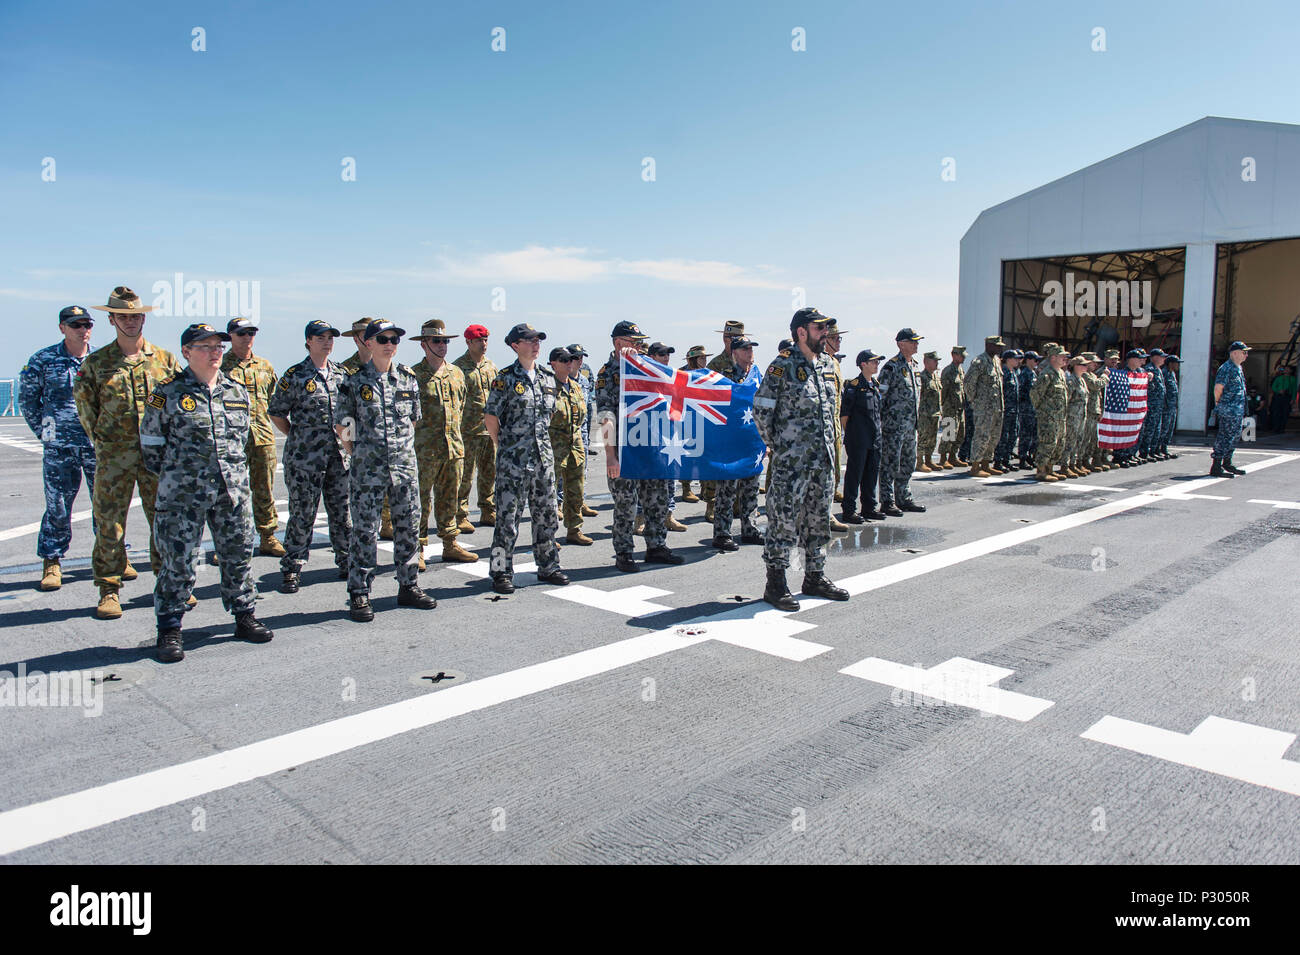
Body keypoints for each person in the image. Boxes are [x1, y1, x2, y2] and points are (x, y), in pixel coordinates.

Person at [140, 323, 274, 662]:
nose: (215, 352)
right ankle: (170, 627)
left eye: (218, 346)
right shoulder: (166, 393)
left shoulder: (236, 391)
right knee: (178, 561)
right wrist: (181, 477)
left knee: (238, 555)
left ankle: (244, 615)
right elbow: (152, 449)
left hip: (231, 492)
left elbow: (240, 442)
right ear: (186, 351)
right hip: (183, 495)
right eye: (205, 346)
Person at [74, 286, 182, 620]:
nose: (131, 321)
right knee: (109, 523)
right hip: (114, 458)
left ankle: (169, 585)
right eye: (124, 316)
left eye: (136, 316)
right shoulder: (96, 364)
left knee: (162, 521)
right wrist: (106, 443)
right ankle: (109, 588)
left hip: (156, 458)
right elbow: (86, 410)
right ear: (112, 319)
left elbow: (175, 403)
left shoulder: (163, 360)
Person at [335, 319, 438, 621]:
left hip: (404, 468)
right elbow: (344, 428)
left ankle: (408, 585)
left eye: (394, 338)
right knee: (365, 532)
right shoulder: (353, 383)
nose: (389, 343)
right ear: (368, 343)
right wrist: (363, 455)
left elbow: (413, 421)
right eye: (382, 339)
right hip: (368, 471)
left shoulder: (408, 378)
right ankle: (359, 593)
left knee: (407, 528)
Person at [753, 308, 848, 609]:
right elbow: (761, 410)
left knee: (818, 520)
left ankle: (815, 576)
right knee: (783, 521)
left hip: (823, 461)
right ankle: (776, 583)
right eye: (819, 329)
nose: (825, 334)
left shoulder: (827, 366)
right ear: (801, 332)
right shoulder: (781, 366)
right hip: (791, 464)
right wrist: (779, 446)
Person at [268, 320, 352, 593]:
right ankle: (292, 567)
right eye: (320, 337)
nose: (327, 342)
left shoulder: (342, 374)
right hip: (305, 459)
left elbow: (350, 414)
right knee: (302, 514)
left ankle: (346, 560)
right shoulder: (295, 375)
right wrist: (297, 436)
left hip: (338, 457)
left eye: (330, 337)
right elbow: (277, 413)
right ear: (308, 341)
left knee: (341, 512)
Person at [483, 324, 569, 593]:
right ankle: (500, 572)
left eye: (538, 340)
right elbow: (491, 419)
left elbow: (549, 416)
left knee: (546, 517)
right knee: (507, 521)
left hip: (543, 460)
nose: (535, 344)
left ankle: (548, 566)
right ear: (515, 345)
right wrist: (506, 446)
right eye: (529, 340)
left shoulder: (547, 377)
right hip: (513, 462)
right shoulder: (505, 378)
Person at [19, 305, 97, 591]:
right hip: (60, 447)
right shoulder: (43, 360)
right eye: (76, 324)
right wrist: (45, 433)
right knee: (58, 506)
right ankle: (52, 560)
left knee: (106, 504)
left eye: (87, 324)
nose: (83, 329)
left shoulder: (100, 361)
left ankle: (114, 555)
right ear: (62, 328)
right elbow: (29, 401)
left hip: (96, 445)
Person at [596, 321, 683, 572]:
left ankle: (656, 546)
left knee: (657, 499)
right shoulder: (608, 373)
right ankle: (624, 552)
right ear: (617, 343)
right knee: (626, 503)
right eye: (631, 342)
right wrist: (611, 455)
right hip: (626, 449)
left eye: (639, 342)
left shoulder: (647, 368)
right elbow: (606, 416)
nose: (637, 347)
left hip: (652, 446)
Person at [410, 319, 478, 569]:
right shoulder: (413, 376)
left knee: (449, 498)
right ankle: (417, 547)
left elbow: (460, 408)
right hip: (425, 451)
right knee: (420, 501)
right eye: (436, 341)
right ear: (424, 344)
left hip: (454, 448)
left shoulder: (457, 373)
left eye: (445, 341)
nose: (442, 345)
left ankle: (450, 544)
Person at [220, 317, 285, 557]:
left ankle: (268, 536)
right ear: (231, 337)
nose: (247, 338)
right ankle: (227, 543)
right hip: (230, 440)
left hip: (262, 435)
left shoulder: (264, 366)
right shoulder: (220, 367)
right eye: (241, 333)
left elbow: (274, 400)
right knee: (230, 492)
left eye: (250, 333)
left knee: (265, 488)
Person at [710, 337, 763, 550]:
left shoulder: (757, 375)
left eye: (751, 348)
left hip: (752, 441)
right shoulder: (723, 376)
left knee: (751, 488)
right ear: (735, 353)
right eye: (745, 349)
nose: (750, 352)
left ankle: (750, 529)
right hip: (729, 442)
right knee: (726, 491)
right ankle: (722, 533)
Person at [454, 324, 498, 533]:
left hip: (489, 430)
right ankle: (461, 514)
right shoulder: (458, 369)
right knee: (465, 475)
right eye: (479, 341)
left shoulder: (491, 367)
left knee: (489, 472)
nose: (483, 344)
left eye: (486, 340)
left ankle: (488, 509)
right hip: (467, 431)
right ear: (468, 342)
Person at [878, 328, 926, 515]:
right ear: (901, 344)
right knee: (890, 464)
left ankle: (904, 498)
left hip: (910, 426)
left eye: (917, 341)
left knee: (908, 462)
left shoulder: (914, 366)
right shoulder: (891, 367)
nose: (916, 344)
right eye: (912, 341)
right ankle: (887, 501)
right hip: (893, 426)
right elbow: (881, 397)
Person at [703, 322, 747, 522]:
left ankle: (736, 503)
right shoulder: (715, 365)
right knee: (716, 468)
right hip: (719, 424)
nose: (733, 341)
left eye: (738, 338)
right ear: (724, 339)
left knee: (738, 466)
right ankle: (711, 504)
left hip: (739, 425)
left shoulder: (748, 363)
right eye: (730, 338)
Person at [549, 345, 592, 546]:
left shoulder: (575, 386)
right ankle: (547, 535)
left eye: (571, 359)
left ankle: (574, 529)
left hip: (575, 443)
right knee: (549, 492)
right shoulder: (547, 387)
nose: (570, 363)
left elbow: (582, 414)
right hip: (554, 445)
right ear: (554, 364)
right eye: (565, 360)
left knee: (575, 489)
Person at [840, 348, 885, 523]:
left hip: (874, 438)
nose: (877, 364)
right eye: (873, 361)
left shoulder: (875, 384)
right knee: (854, 475)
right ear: (863, 364)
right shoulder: (854, 387)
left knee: (871, 474)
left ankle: (869, 508)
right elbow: (845, 415)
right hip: (858, 439)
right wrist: (851, 435)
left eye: (877, 362)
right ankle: (849, 510)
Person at [567, 343, 600, 520]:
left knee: (582, 471)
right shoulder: (559, 380)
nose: (579, 361)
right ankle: (559, 503)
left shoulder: (585, 380)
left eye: (581, 358)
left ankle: (580, 501)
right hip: (563, 435)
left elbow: (588, 409)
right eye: (575, 357)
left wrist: (587, 436)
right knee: (561, 474)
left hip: (582, 434)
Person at [965, 335, 1006, 477]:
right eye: (997, 345)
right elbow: (969, 383)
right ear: (989, 346)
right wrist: (975, 402)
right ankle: (975, 466)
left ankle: (986, 464)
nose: (1000, 348)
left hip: (996, 408)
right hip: (983, 409)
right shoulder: (979, 362)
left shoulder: (996, 361)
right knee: (981, 436)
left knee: (993, 437)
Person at [1029, 343, 1069, 482]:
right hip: (1048, 417)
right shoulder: (1047, 374)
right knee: (1047, 443)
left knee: (1058, 444)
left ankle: (1050, 468)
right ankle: (1041, 470)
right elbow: (1035, 394)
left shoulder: (1061, 373)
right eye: (1062, 356)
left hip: (1060, 417)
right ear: (1053, 357)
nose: (1065, 359)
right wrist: (1043, 411)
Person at [1211, 341, 1250, 478]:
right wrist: (1218, 404)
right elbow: (1218, 388)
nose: (1246, 355)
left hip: (1237, 410)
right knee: (1225, 436)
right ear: (1234, 353)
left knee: (1234, 436)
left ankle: (1227, 462)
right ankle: (1216, 465)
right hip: (1228, 409)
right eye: (1243, 352)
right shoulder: (1226, 368)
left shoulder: (1238, 368)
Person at [678, 344, 711, 502]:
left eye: (705, 358)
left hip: (704, 417)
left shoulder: (707, 374)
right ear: (693, 359)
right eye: (702, 358)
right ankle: (686, 488)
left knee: (704, 455)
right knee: (687, 455)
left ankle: (706, 488)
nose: (705, 361)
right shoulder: (681, 374)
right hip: (686, 418)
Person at [992, 348, 1022, 471]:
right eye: (1015, 358)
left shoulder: (1013, 372)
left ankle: (1006, 460)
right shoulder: (1003, 373)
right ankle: (998, 462)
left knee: (1012, 436)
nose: (1017, 361)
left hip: (1014, 410)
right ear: (1008, 360)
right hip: (1005, 410)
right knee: (1003, 437)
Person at [937, 346, 967, 468]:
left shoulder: (960, 370)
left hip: (960, 408)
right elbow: (943, 391)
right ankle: (943, 458)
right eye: (961, 355)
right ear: (954, 355)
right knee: (948, 433)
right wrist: (943, 406)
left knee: (960, 433)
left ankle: (953, 457)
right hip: (950, 407)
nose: (963, 357)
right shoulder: (948, 371)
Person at [1062, 354, 1091, 477]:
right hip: (1072, 416)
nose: (1086, 367)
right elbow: (1066, 399)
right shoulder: (1071, 381)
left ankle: (1073, 464)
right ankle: (1065, 465)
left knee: (1078, 440)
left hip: (1081, 416)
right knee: (1070, 440)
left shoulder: (1082, 380)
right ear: (1075, 366)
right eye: (1083, 365)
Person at [1136, 348, 1167, 462]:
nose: (1164, 359)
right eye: (1161, 356)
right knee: (1148, 429)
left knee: (1155, 429)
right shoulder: (1149, 369)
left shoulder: (1158, 370)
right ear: (1154, 357)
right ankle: (1144, 452)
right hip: (1151, 405)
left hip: (1158, 406)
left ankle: (1152, 450)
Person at [916, 350, 942, 471]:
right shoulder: (922, 377)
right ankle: (920, 462)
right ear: (926, 362)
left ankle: (929, 460)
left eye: (937, 361)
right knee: (923, 438)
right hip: (924, 414)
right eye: (934, 361)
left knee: (932, 438)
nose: (936, 363)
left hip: (935, 413)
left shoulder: (936, 377)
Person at [1018, 350, 1040, 468]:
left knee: (1033, 434)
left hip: (1034, 409)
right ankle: (1022, 458)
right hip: (1026, 409)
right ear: (1028, 360)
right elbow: (1020, 391)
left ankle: (1030, 456)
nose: (1037, 362)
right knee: (1026, 434)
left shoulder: (1034, 373)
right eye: (1035, 360)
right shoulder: (1025, 373)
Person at [1161, 354, 1181, 457]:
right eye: (1176, 363)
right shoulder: (1164, 373)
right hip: (1166, 407)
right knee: (1163, 429)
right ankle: (1158, 449)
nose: (1178, 365)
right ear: (1171, 363)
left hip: (1172, 406)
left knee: (1169, 429)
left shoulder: (1172, 374)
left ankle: (1164, 448)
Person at [1268, 362, 1296, 433]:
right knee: (1276, 412)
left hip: (1287, 397)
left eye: (1288, 369)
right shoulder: (1278, 378)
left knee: (1285, 413)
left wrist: (1293, 399)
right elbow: (1273, 387)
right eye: (1285, 369)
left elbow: (1294, 390)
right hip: (1278, 397)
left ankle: (1282, 428)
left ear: (1291, 371)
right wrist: (1278, 391)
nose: (1286, 370)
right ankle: (1276, 428)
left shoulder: (1293, 379)